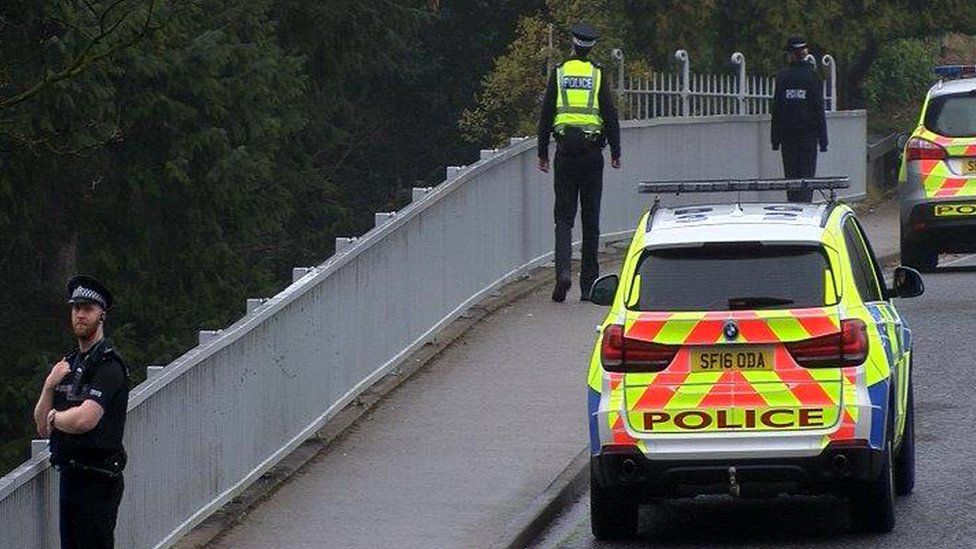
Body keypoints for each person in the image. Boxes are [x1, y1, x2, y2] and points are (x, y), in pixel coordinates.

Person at [34, 275, 129, 549]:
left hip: (99, 479)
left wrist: (55, 418)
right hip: (71, 476)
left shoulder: (109, 366)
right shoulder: (69, 365)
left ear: (102, 315)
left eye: (87, 309)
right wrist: (49, 385)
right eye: (76, 308)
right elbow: (41, 426)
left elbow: (86, 419)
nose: (80, 315)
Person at [538, 22, 621, 302]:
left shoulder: (559, 73)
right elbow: (609, 114)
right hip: (591, 154)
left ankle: (563, 272)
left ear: (573, 45)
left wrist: (541, 152)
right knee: (591, 219)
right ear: (591, 48)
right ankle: (588, 285)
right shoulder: (597, 75)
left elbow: (547, 113)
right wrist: (616, 151)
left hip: (564, 154)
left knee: (563, 217)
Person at [771, 35, 828, 202]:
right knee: (806, 177)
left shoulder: (783, 77)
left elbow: (777, 109)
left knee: (791, 178)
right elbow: (818, 109)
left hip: (787, 138)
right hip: (809, 137)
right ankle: (805, 207)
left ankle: (793, 206)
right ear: (805, 52)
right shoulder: (812, 77)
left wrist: (775, 140)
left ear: (790, 54)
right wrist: (823, 141)